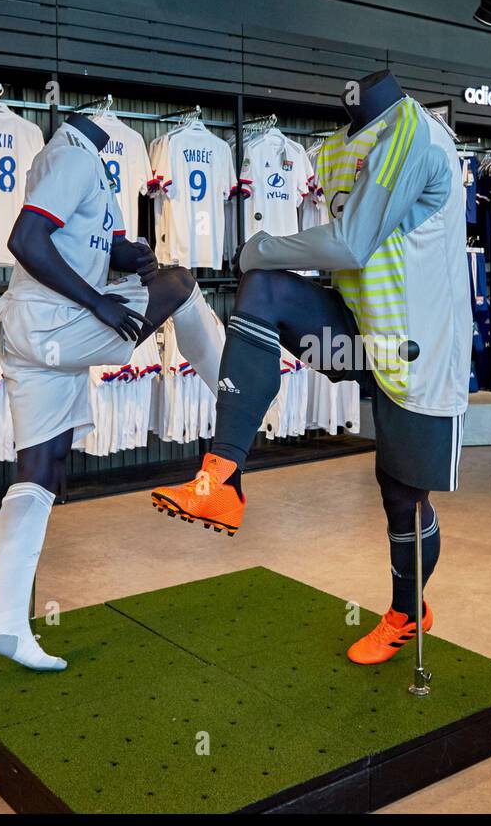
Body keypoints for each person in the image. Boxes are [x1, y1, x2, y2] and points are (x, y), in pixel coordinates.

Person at [151, 71, 470, 666]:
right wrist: (267, 261)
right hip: (356, 331)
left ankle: (407, 611)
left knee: (401, 494)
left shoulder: (414, 133)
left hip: (418, 347)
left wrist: (260, 245)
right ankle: (222, 477)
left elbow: (350, 243)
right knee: (264, 291)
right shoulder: (331, 146)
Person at [0, 112, 224, 671]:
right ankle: (232, 394)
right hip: (52, 323)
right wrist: (98, 302)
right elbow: (25, 239)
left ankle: (7, 623)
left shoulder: (79, 160)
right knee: (181, 284)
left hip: (35, 333)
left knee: (42, 465)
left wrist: (125, 258)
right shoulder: (70, 155)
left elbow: (73, 244)